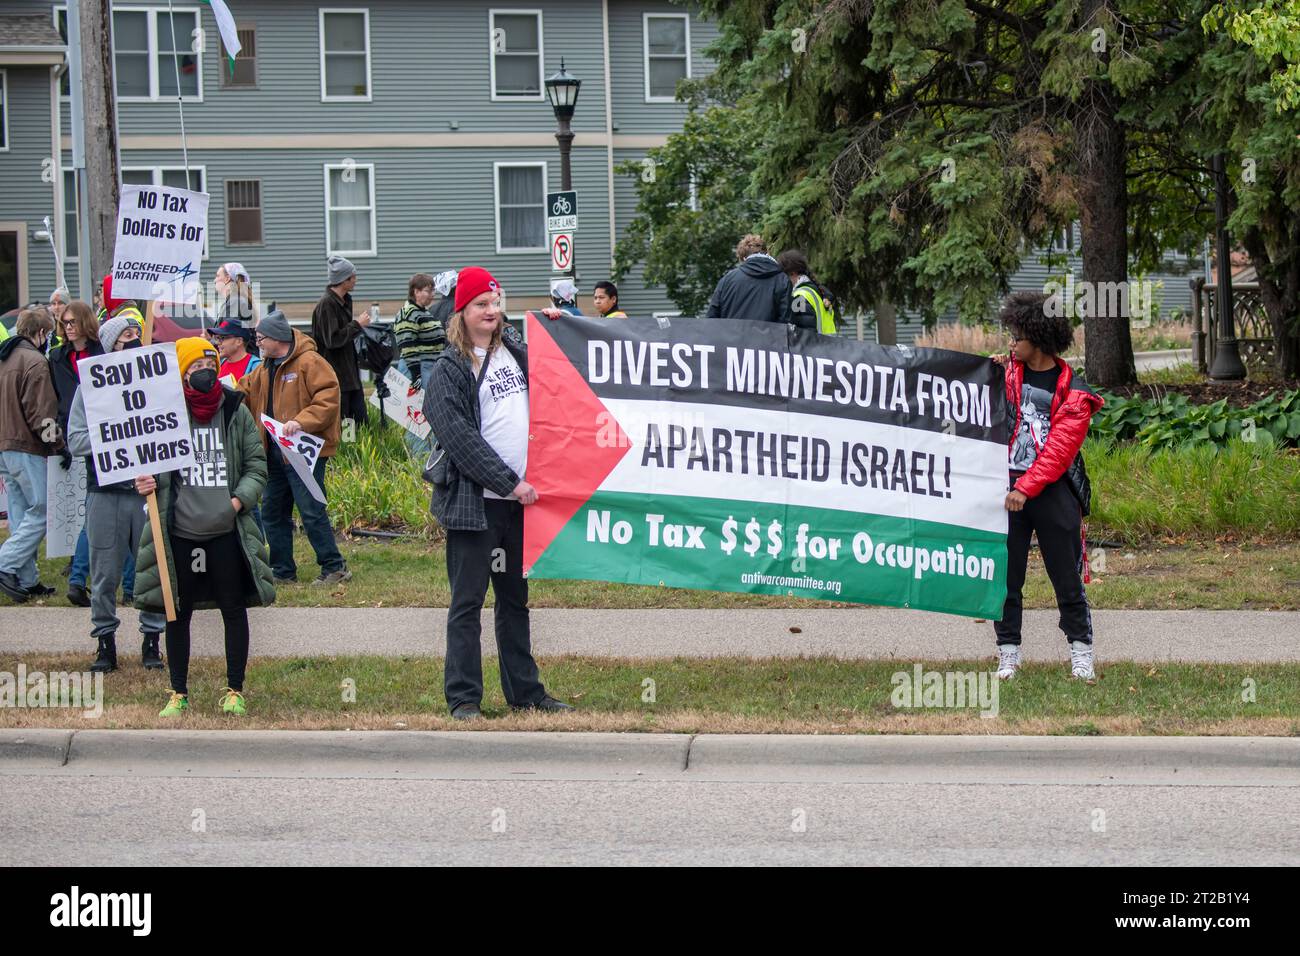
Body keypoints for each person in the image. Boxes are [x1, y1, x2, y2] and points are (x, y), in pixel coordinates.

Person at [423, 266, 572, 721]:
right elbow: (461, 439)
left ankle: (525, 692)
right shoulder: (449, 370)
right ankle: (464, 698)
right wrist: (510, 482)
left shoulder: (516, 352)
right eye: (481, 305)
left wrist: (558, 326)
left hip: (520, 508)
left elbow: (563, 376)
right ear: (461, 313)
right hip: (477, 506)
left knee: (515, 602)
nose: (492, 311)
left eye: (495, 302)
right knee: (467, 603)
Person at [133, 338, 274, 717]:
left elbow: (256, 466)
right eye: (195, 368)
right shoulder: (166, 415)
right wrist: (145, 482)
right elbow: (152, 471)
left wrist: (236, 503)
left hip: (226, 532)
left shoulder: (234, 411)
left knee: (233, 608)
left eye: (209, 364)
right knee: (178, 613)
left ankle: (234, 689)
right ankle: (178, 692)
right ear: (181, 374)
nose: (204, 373)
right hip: (181, 533)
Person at [991, 291, 1104, 683]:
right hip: (1007, 491)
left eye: (1016, 335)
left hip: (1051, 493)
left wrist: (1025, 488)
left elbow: (1059, 451)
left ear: (1036, 338)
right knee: (1006, 580)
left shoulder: (1075, 391)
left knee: (1067, 579)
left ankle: (1081, 653)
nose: (1010, 342)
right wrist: (986, 375)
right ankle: (1008, 654)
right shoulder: (1005, 373)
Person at [66, 311, 167, 672]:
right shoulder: (87, 390)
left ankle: (152, 640)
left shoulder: (155, 386)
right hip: (105, 493)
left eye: (138, 338)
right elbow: (75, 440)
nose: (133, 345)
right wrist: (114, 433)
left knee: (150, 571)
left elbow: (168, 435)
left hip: (144, 494)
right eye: (125, 339)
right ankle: (105, 642)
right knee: (104, 573)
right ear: (110, 346)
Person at [239, 307, 351, 586]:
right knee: (273, 513)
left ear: (278, 338)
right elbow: (245, 391)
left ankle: (334, 567)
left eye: (261, 337)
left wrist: (301, 421)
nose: (258, 342)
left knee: (311, 509)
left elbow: (328, 397)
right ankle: (282, 571)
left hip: (304, 452)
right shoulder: (264, 368)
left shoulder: (310, 362)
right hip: (273, 452)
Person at [0, 307, 64, 602]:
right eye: (48, 334)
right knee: (42, 510)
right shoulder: (35, 362)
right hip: (26, 445)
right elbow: (42, 415)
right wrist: (58, 446)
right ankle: (5, 564)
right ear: (41, 333)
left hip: (5, 446)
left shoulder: (5, 357)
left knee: (19, 514)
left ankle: (25, 578)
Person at [48, 301, 104, 607]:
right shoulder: (57, 357)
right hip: (70, 432)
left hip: (98, 433)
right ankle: (79, 574)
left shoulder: (101, 354)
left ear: (85, 322)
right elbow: (54, 396)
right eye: (64, 322)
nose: (68, 326)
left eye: (73, 321)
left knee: (93, 509)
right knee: (84, 509)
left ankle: (81, 575)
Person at [310, 255, 372, 431]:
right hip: (335, 376)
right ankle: (347, 453)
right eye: (353, 277)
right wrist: (357, 324)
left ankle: (356, 453)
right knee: (346, 425)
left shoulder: (345, 301)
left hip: (350, 375)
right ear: (344, 280)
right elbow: (332, 340)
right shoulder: (327, 305)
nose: (355, 280)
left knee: (359, 421)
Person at [706, 234, 794, 324]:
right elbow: (786, 320)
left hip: (731, 337)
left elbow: (712, 317)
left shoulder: (727, 280)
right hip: (767, 337)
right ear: (767, 253)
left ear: (743, 258)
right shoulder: (782, 280)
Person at [393, 273, 446, 392]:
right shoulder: (408, 313)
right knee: (415, 409)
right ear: (416, 292)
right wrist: (416, 375)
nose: (432, 295)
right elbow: (407, 345)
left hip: (429, 367)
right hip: (416, 370)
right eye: (428, 291)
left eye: (433, 291)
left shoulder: (424, 313)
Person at [777, 250, 836, 334]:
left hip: (814, 346)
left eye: (784, 276)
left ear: (793, 273)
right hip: (828, 344)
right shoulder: (815, 290)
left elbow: (804, 333)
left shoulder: (799, 297)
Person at [210, 319, 261, 383]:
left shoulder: (256, 367)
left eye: (222, 338)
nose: (217, 343)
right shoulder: (220, 364)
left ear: (239, 341)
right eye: (217, 338)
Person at [214, 262, 257, 327]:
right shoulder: (235, 300)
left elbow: (228, 331)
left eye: (217, 276)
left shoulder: (235, 301)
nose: (215, 280)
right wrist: (211, 336)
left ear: (227, 279)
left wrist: (214, 335)